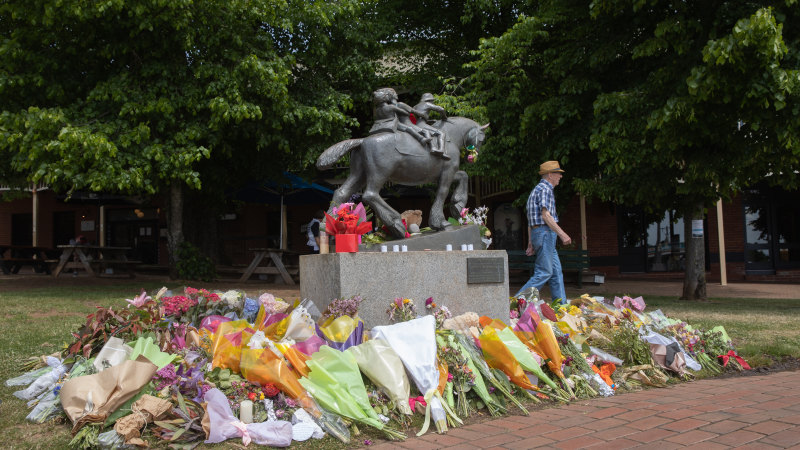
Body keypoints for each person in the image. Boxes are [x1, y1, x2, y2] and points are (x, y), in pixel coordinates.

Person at [515, 161, 572, 303]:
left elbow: (530, 220)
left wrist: (530, 242)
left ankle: (561, 307)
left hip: (540, 234)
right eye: (558, 173)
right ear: (550, 175)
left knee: (556, 273)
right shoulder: (546, 189)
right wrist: (562, 234)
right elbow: (546, 215)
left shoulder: (536, 190)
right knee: (544, 272)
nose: (560, 176)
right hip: (545, 234)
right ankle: (516, 301)